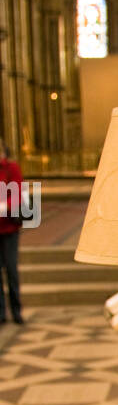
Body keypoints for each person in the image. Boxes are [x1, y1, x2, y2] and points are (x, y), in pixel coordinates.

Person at [0, 138, 24, 324]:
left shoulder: (11, 168)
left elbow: (16, 194)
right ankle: (1, 313)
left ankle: (16, 310)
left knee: (11, 270)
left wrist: (2, 207)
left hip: (9, 228)